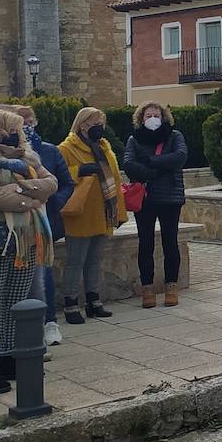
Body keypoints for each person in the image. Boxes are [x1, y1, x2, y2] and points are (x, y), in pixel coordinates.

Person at [0, 107, 57, 394]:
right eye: (13, 130)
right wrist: (32, 195)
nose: (19, 135)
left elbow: (51, 183)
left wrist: (24, 192)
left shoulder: (26, 158)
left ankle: (7, 360)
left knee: (15, 305)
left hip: (24, 239)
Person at [56, 108, 125, 323]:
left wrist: (119, 213)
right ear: (83, 124)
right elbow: (58, 176)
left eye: (102, 123)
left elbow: (115, 179)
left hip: (103, 211)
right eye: (96, 122)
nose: (100, 127)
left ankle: (94, 301)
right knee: (75, 261)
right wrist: (79, 171)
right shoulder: (66, 148)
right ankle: (71, 303)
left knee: (95, 260)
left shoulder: (104, 146)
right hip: (80, 213)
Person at [14, 104, 72, 346]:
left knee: (44, 272)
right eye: (22, 122)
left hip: (44, 221)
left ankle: (49, 322)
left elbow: (64, 182)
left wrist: (53, 202)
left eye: (30, 120)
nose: (27, 126)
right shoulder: (7, 155)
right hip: (18, 224)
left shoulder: (48, 151)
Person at [121, 101, 188, 309]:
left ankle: (171, 286)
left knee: (170, 241)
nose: (152, 119)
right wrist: (155, 171)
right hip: (146, 199)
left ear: (163, 116)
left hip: (169, 197)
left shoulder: (174, 136)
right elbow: (129, 164)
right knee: (145, 243)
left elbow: (180, 157)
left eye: (156, 115)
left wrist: (150, 162)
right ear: (141, 118)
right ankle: (147, 288)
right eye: (148, 115)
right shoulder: (135, 139)